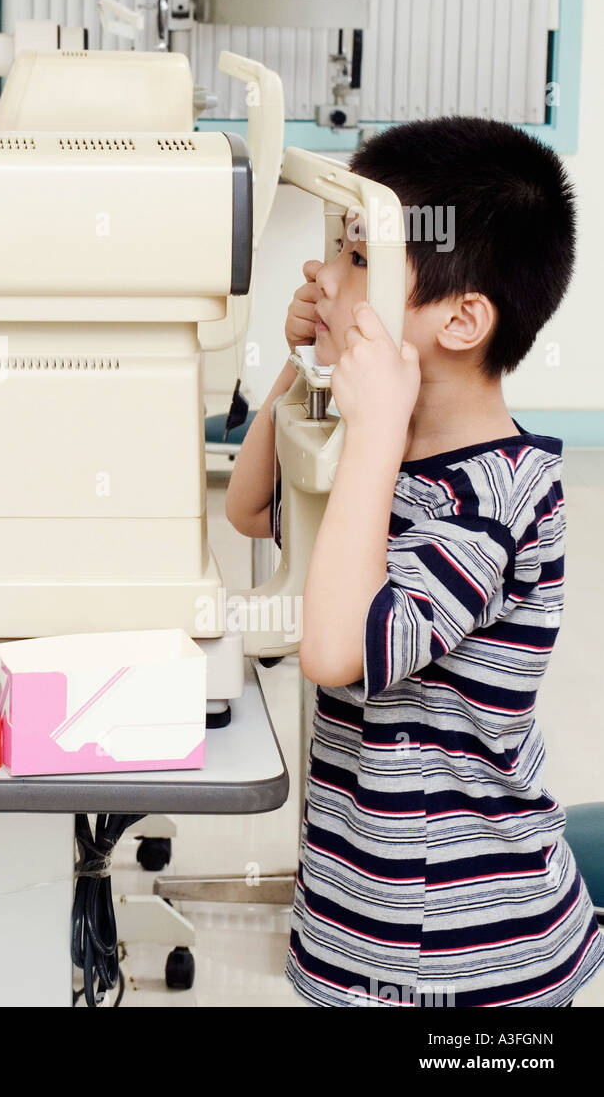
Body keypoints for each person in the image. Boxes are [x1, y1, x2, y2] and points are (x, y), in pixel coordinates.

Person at [227, 117, 603, 1007]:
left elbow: (337, 652)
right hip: (360, 911)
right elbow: (250, 509)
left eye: (361, 258)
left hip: (470, 945)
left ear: (463, 319)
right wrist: (303, 367)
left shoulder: (498, 498)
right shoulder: (381, 455)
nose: (325, 272)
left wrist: (373, 429)